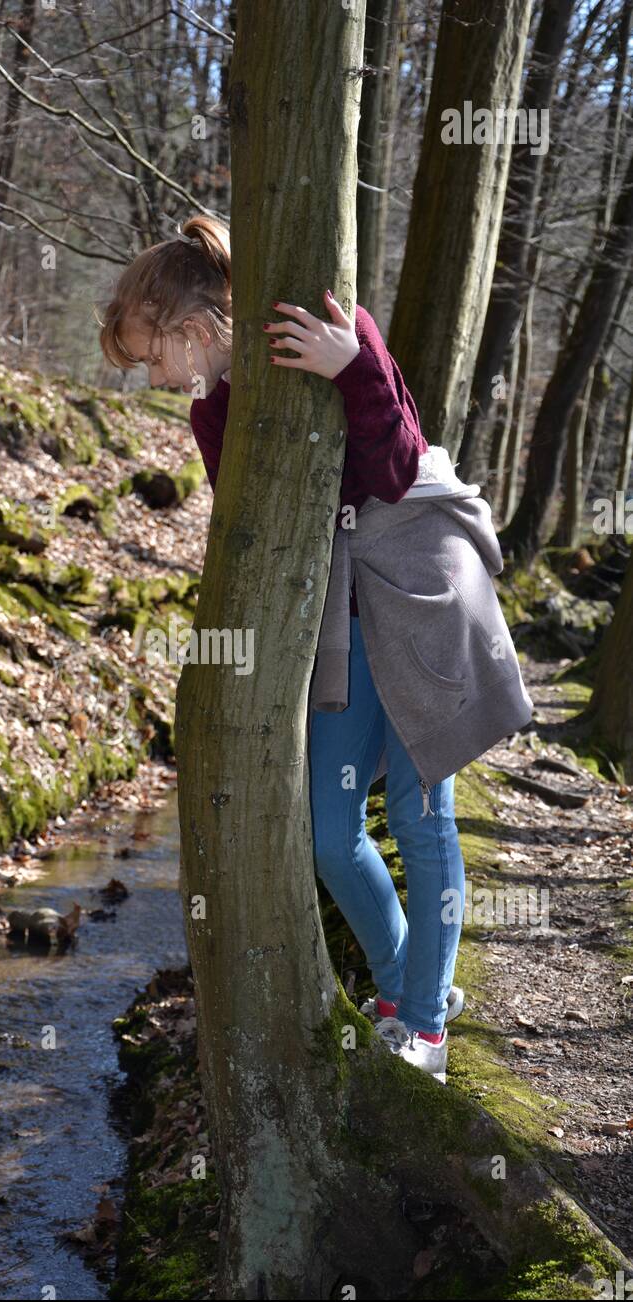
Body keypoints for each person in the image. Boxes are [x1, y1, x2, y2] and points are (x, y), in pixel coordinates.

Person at [96, 213, 472, 1086]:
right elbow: (256, 536)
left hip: (416, 593)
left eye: (154, 356)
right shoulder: (214, 412)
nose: (155, 378)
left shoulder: (330, 327)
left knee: (422, 817)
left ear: (194, 332)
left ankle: (422, 1027)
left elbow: (399, 464)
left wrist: (354, 368)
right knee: (331, 837)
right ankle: (409, 990)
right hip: (336, 626)